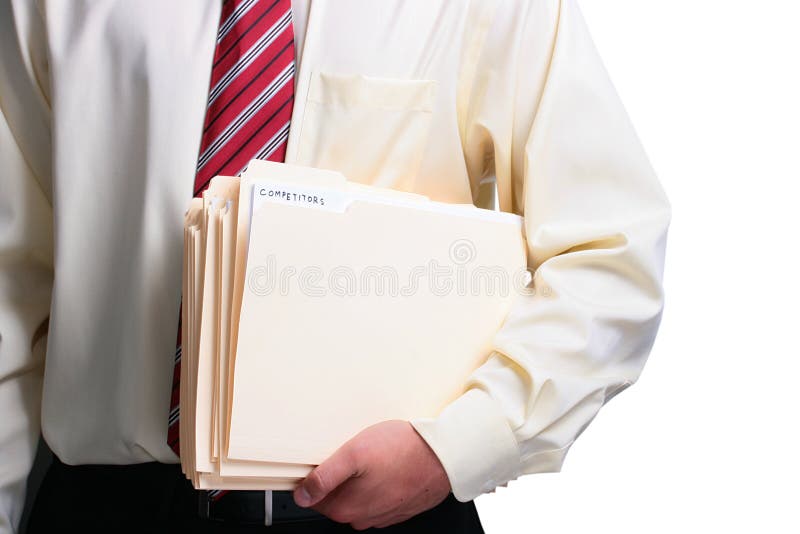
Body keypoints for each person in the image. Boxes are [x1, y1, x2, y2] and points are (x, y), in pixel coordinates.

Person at [0, 0, 670, 532]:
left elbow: (608, 251)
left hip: (387, 508)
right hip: (104, 505)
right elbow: (8, 284)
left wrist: (459, 447)